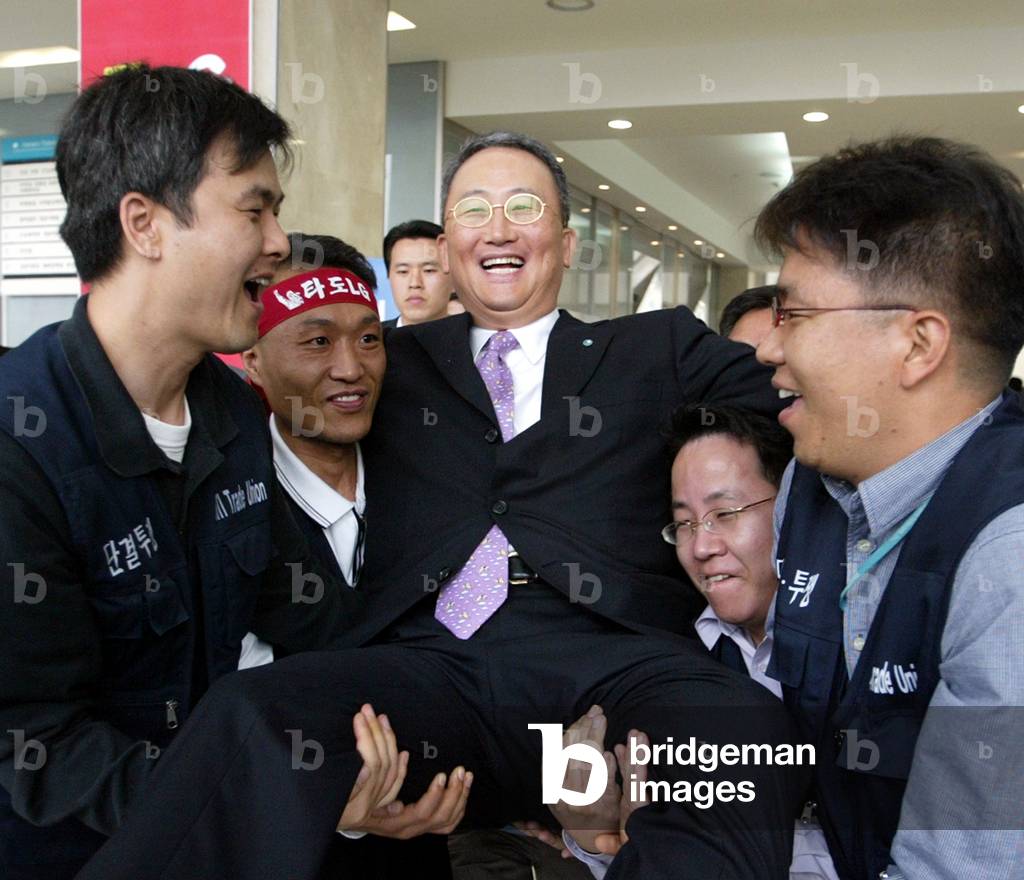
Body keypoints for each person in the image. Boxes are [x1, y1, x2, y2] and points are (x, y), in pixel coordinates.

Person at [77, 129, 807, 880]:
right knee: (253, 714)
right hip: (432, 675)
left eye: (522, 207)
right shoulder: (383, 358)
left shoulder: (658, 349)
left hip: (614, 664)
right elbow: (249, 388)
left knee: (742, 733)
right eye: (472, 209)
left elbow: (804, 406)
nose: (497, 227)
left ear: (564, 242)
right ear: (449, 241)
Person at [0, 66, 362, 880]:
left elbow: (310, 617)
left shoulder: (231, 416)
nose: (278, 242)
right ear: (145, 224)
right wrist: (266, 797)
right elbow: (36, 741)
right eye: (254, 208)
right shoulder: (21, 445)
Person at [755, 137, 1024, 879]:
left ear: (917, 343)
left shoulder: (1009, 551)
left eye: (795, 314)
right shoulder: (811, 484)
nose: (767, 351)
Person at [242, 233, 468, 875]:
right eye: (316, 341)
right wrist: (331, 807)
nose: (351, 367)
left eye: (369, 338)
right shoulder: (228, 513)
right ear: (254, 362)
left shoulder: (437, 489)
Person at [551, 405, 838, 880]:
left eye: (725, 514)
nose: (701, 547)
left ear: (792, 506)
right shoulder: (664, 664)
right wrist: (594, 840)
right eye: (684, 523)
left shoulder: (856, 637)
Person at [382, 219, 452, 327]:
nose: (415, 283)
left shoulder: (477, 341)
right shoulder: (373, 339)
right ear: (389, 276)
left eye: (428, 270)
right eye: (403, 271)